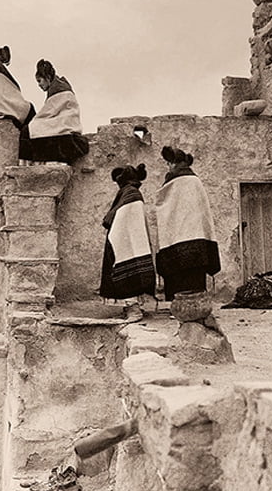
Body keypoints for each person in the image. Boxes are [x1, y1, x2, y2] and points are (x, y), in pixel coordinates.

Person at [154, 145, 221, 301]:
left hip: (176, 242)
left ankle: (177, 307)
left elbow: (164, 207)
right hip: (198, 240)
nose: (168, 167)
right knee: (195, 278)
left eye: (169, 164)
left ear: (174, 164)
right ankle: (198, 305)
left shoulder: (172, 183)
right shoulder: (196, 181)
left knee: (177, 276)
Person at [99, 162, 156, 321]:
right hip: (133, 241)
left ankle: (134, 309)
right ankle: (131, 306)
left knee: (126, 270)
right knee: (133, 269)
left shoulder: (129, 194)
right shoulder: (132, 193)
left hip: (126, 241)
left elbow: (118, 217)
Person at [18, 59, 89, 164]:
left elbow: (47, 113)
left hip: (65, 126)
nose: (39, 85)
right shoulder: (59, 86)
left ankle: (26, 164)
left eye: (39, 81)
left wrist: (33, 123)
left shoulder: (58, 89)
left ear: (47, 78)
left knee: (28, 130)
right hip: (67, 125)